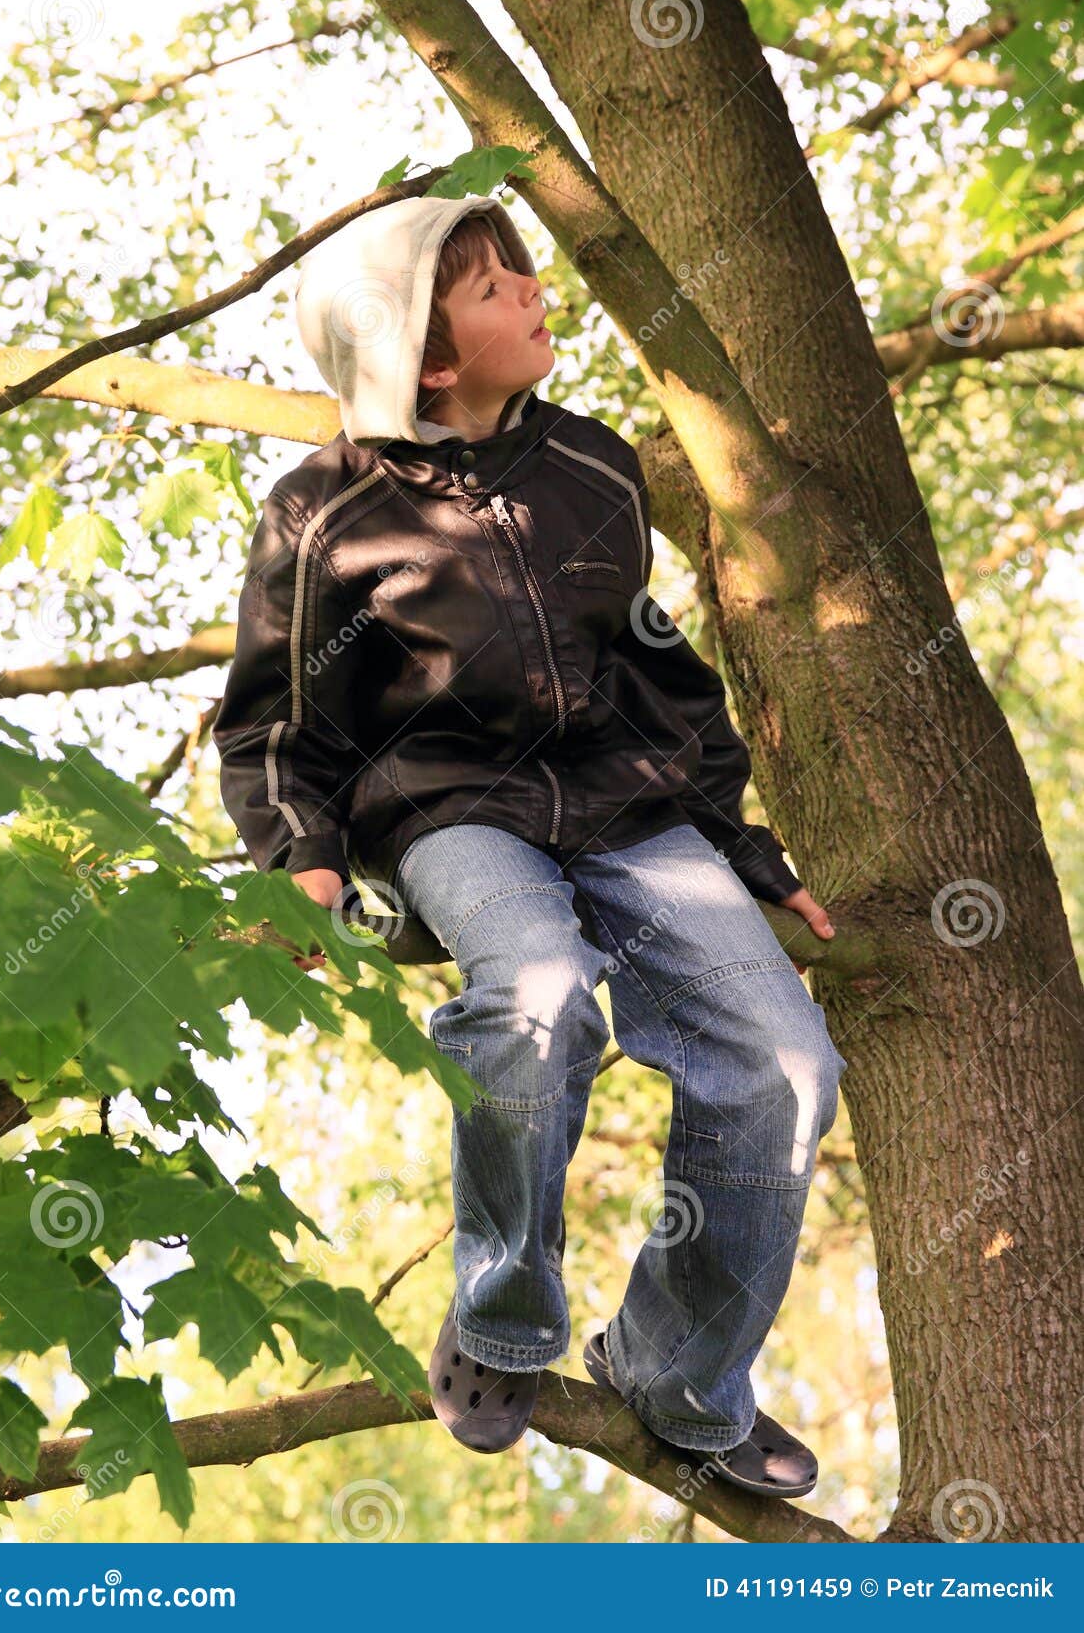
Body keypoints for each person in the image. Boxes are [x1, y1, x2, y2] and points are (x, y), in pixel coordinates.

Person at [213, 194, 847, 1498]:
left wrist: (746, 841)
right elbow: (278, 718)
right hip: (454, 815)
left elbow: (660, 666)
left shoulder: (594, 468)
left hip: (633, 809)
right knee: (543, 996)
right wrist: (302, 856)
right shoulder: (322, 514)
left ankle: (679, 1371)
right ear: (425, 357)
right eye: (495, 286)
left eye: (522, 269)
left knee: (786, 1062)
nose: (533, 289)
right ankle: (500, 1318)